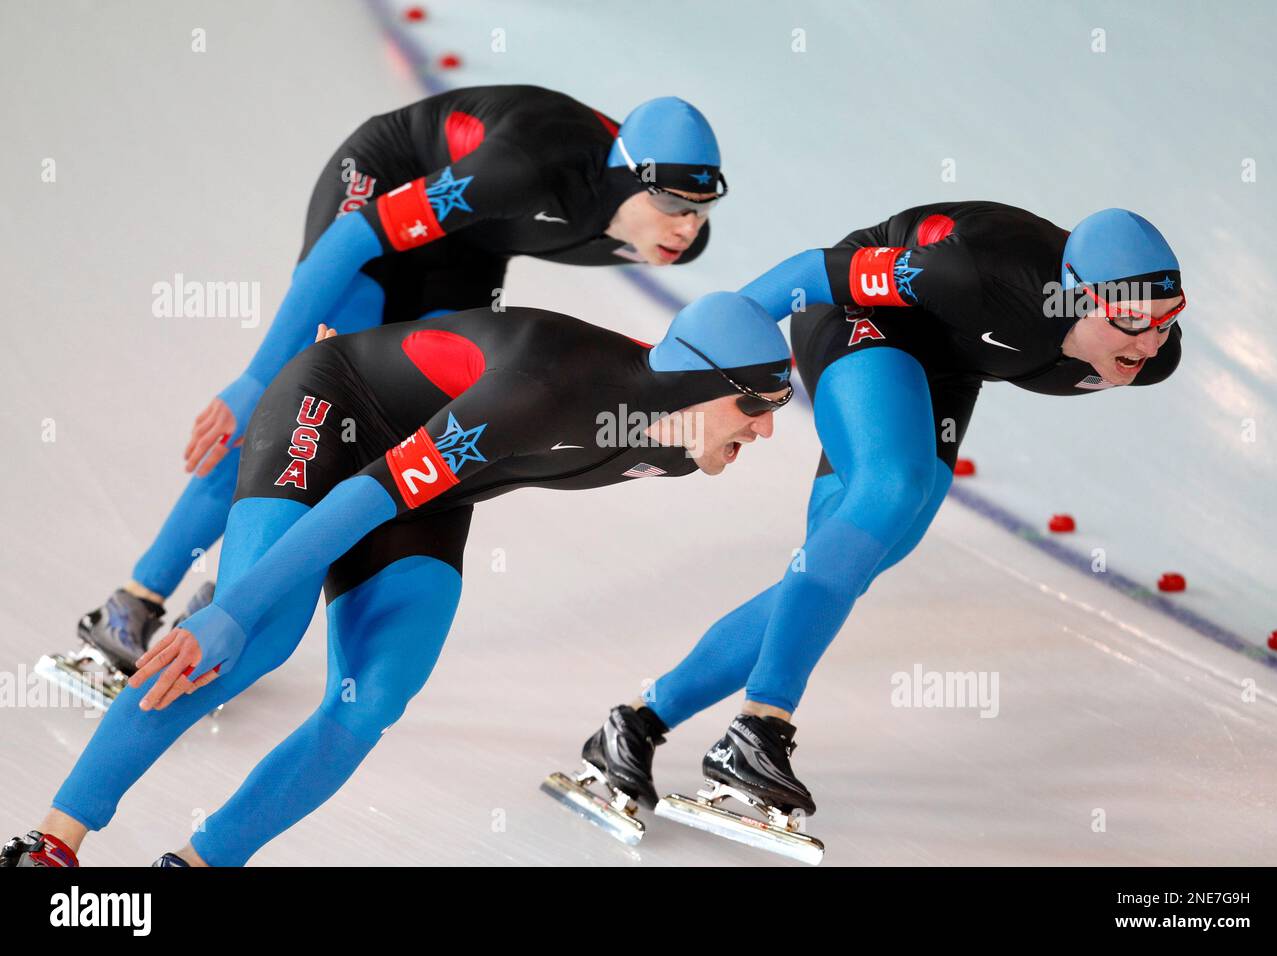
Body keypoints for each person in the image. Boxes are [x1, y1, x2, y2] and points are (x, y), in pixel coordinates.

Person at [2, 291, 792, 867]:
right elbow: (365, 493)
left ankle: (201, 864)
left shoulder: (682, 439)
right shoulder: (549, 392)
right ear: (698, 383)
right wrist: (234, 608)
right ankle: (51, 844)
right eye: (755, 405)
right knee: (250, 641)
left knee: (372, 697)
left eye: (779, 408)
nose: (764, 428)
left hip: (429, 486)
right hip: (333, 414)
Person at [571, 204, 1186, 849]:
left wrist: (1142, 325)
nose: (1149, 344)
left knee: (853, 558)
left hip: (949, 366)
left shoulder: (1152, 348)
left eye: (1167, 321)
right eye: (1129, 323)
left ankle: (635, 724)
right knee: (890, 488)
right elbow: (810, 273)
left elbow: (1132, 334)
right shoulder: (978, 277)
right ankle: (758, 729)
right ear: (1077, 297)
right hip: (863, 320)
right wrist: (686, 370)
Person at [74, 85, 727, 684]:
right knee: (303, 398)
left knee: (408, 416)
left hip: (470, 244)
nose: (686, 227)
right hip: (387, 188)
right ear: (623, 178)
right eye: (671, 205)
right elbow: (349, 244)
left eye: (701, 209)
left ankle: (235, 586)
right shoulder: (530, 166)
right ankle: (132, 601)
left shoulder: (673, 234)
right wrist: (254, 378)